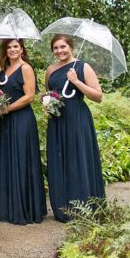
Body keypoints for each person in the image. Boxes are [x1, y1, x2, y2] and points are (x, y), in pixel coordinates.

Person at [45, 34, 105, 222]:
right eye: (56, 48)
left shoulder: (83, 67)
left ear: (71, 47)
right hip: (57, 120)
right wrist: (47, 104)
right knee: (60, 160)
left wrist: (77, 81)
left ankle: (84, 207)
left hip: (77, 118)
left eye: (63, 47)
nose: (59, 51)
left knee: (78, 160)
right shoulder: (50, 70)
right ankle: (63, 208)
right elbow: (48, 93)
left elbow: (98, 96)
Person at [0, 39, 46, 225]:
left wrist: (7, 109)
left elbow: (29, 96)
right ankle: (10, 208)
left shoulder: (26, 68)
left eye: (16, 46)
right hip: (7, 122)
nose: (12, 49)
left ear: (22, 49)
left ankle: (25, 209)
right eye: (9, 47)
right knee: (9, 159)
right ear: (5, 51)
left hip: (22, 120)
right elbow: (2, 96)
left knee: (22, 159)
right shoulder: (3, 71)